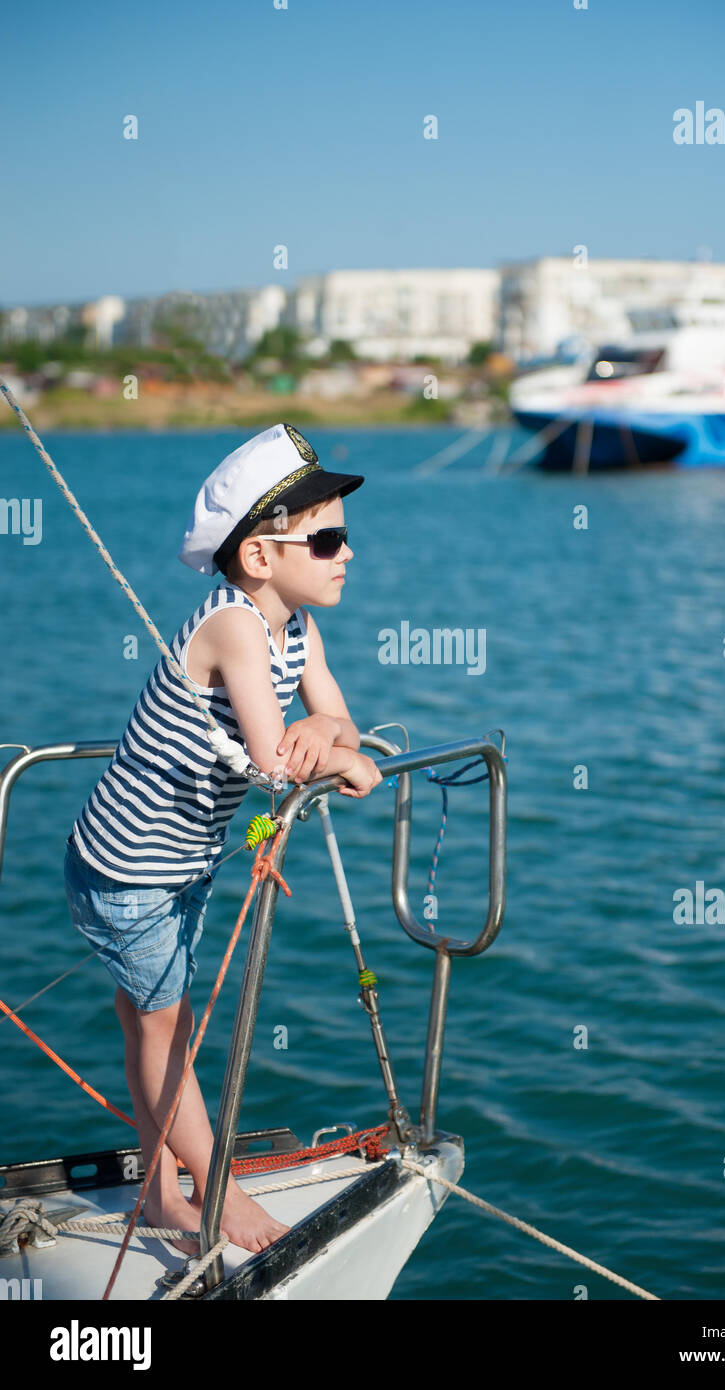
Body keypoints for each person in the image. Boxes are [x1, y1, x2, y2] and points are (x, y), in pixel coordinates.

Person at [64, 422, 382, 1257]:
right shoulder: (236, 627)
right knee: (164, 1028)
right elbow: (278, 760)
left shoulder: (297, 630)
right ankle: (217, 1196)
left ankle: (165, 1190)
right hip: (128, 863)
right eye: (327, 539)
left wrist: (332, 732)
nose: (346, 553)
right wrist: (341, 761)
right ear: (259, 559)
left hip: (184, 860)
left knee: (154, 1025)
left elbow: (335, 715)